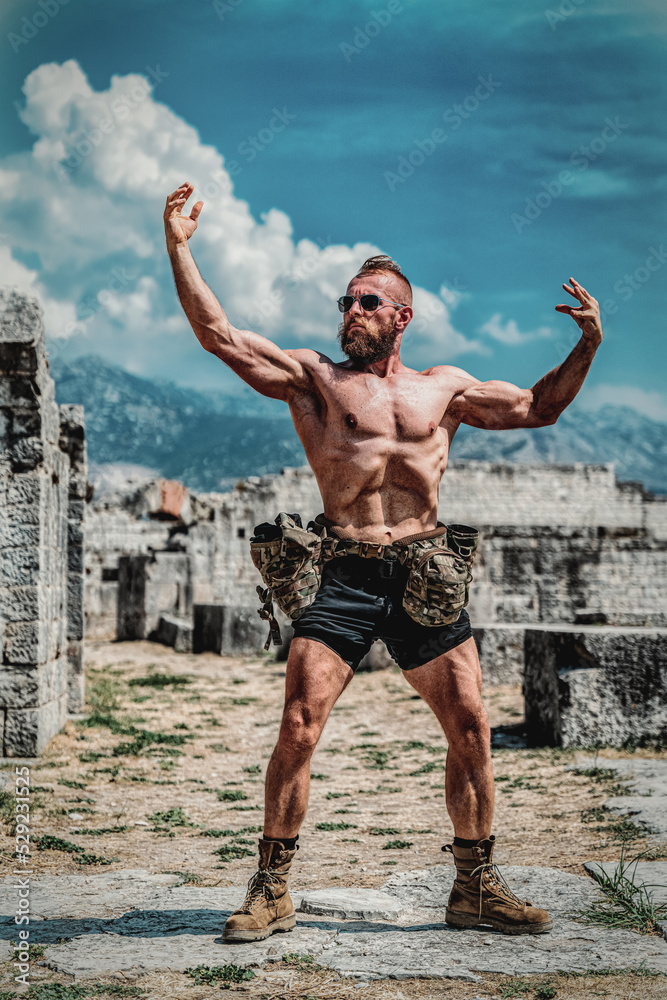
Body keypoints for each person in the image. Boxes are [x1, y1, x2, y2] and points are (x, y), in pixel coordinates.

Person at [164, 182, 603, 941]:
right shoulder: (316, 381)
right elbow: (222, 337)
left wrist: (588, 343)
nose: (351, 311)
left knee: (470, 725)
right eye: (346, 300)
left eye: (368, 302)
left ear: (401, 316)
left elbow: (539, 407)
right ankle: (270, 888)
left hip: (426, 576)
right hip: (343, 573)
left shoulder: (445, 390)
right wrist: (179, 246)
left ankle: (473, 886)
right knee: (298, 725)